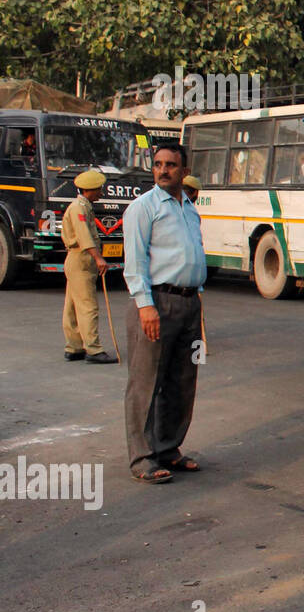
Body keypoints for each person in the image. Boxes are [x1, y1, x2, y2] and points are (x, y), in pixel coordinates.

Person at [122, 144, 207, 484]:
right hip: (157, 302)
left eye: (171, 165)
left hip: (189, 303)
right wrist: (145, 306)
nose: (163, 170)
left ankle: (169, 449)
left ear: (184, 169)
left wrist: (197, 298)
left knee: (182, 381)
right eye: (158, 164)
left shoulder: (189, 209)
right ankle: (142, 457)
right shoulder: (143, 208)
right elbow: (136, 261)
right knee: (146, 382)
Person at [60, 169, 116, 364]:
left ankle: (74, 346)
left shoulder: (83, 206)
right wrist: (99, 258)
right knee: (88, 306)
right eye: (99, 189)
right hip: (80, 259)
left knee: (73, 305)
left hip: (78, 260)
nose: (101, 192)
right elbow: (84, 236)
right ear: (90, 190)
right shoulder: (79, 208)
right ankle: (93, 349)